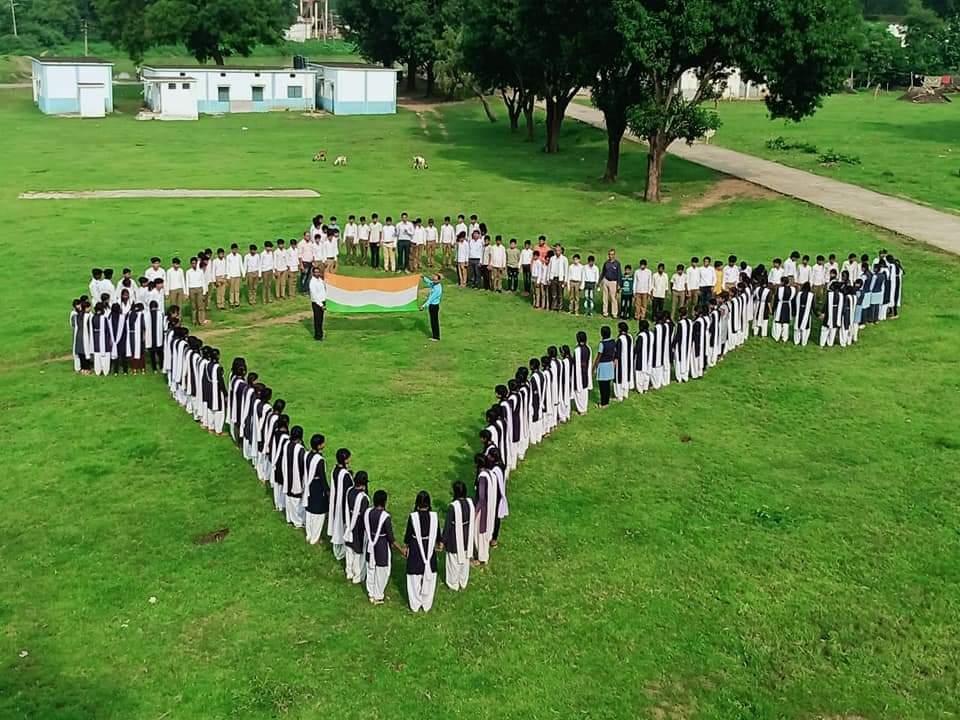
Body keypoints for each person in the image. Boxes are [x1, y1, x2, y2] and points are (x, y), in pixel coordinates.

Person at [404, 490, 442, 613]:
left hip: (416, 549)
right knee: (429, 577)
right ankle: (427, 604)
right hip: (429, 548)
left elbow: (408, 535)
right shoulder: (434, 517)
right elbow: (437, 534)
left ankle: (415, 604)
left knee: (414, 578)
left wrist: (406, 546)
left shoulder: (413, 517)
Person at [364, 489, 401, 605]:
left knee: (370, 569)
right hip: (381, 546)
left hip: (370, 544)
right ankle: (378, 595)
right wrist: (401, 549)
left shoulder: (368, 513)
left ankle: (371, 593)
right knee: (382, 570)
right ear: (384, 502)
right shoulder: (385, 517)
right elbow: (391, 538)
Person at [442, 481, 474, 591]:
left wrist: (443, 541)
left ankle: (453, 583)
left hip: (454, 539)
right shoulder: (470, 503)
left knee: (453, 563)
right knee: (465, 561)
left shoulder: (453, 507)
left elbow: (447, 526)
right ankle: (463, 581)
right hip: (467, 537)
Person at [344, 471, 370, 584]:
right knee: (358, 551)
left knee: (349, 549)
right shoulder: (363, 498)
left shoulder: (349, 490)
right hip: (359, 526)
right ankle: (357, 575)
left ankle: (349, 572)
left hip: (349, 522)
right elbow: (364, 515)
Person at [303, 433, 328, 545]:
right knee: (318, 513)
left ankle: (309, 534)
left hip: (309, 485)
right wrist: (327, 491)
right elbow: (322, 477)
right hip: (317, 486)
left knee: (309, 510)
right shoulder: (319, 460)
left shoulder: (307, 455)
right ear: (319, 446)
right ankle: (315, 538)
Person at [328, 448, 352, 561]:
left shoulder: (335, 470)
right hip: (342, 505)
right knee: (341, 528)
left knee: (337, 526)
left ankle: (338, 550)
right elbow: (348, 491)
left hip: (335, 503)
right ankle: (341, 552)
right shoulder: (345, 474)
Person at [473, 453, 497, 565]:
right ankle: (484, 553)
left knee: (479, 532)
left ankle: (481, 557)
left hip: (483, 509)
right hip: (491, 506)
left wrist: (475, 512)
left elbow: (481, 498)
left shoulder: (482, 477)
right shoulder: (491, 473)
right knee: (486, 530)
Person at [593, 326, 616, 408]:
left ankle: (603, 403)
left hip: (603, 366)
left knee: (602, 387)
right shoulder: (613, 342)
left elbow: (599, 356)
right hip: (610, 365)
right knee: (607, 385)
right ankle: (606, 401)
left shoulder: (602, 344)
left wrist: (594, 367)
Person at [771, 277, 794, 343]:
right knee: (786, 323)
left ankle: (777, 337)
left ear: (783, 282)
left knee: (778, 322)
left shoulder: (780, 289)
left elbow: (776, 299)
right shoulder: (792, 289)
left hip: (780, 306)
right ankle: (785, 338)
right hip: (788, 306)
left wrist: (773, 309)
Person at [420, 274, 443, 341]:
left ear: (439, 280)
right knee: (432, 321)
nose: (433, 281)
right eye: (433, 279)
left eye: (435, 280)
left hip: (434, 306)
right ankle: (434, 336)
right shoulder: (434, 284)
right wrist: (423, 277)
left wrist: (423, 306)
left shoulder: (437, 289)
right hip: (432, 306)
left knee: (434, 321)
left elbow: (431, 299)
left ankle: (436, 337)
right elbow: (429, 282)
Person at [185, 257, 207, 326]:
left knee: (200, 306)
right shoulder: (188, 272)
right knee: (193, 306)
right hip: (192, 289)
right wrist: (187, 293)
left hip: (199, 288)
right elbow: (187, 282)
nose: (194, 265)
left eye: (195, 263)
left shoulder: (200, 271)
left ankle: (201, 320)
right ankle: (194, 320)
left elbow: (203, 281)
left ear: (197, 263)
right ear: (191, 264)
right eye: (192, 263)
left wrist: (204, 291)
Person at [793, 281, 815, 346]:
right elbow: (813, 306)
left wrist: (794, 313)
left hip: (799, 311)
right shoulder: (811, 295)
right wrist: (817, 314)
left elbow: (794, 303)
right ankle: (804, 342)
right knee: (806, 328)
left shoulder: (799, 294)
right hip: (807, 313)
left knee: (797, 327)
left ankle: (796, 341)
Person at [600, 249, 622, 317]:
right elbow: (603, 272)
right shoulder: (606, 263)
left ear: (614, 255)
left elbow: (619, 274)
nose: (610, 256)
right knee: (605, 297)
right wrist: (599, 281)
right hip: (606, 281)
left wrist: (619, 284)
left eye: (612, 254)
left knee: (613, 298)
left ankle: (614, 313)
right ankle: (605, 312)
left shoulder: (617, 264)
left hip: (613, 282)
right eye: (609, 254)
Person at [309, 265, 326, 341]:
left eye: (318, 272)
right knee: (317, 320)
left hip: (322, 301)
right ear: (313, 273)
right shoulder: (312, 282)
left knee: (321, 319)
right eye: (315, 272)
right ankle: (318, 336)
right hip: (317, 303)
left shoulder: (320, 280)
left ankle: (321, 334)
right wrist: (321, 305)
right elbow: (314, 295)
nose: (317, 273)